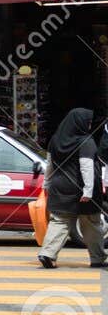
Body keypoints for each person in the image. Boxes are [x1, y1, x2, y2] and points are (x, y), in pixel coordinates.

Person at [40, 107, 106, 269]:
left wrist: (46, 184)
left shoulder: (55, 140)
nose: (90, 126)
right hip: (81, 189)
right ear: (81, 123)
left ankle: (48, 254)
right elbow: (87, 167)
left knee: (59, 222)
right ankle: (97, 258)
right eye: (88, 122)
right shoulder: (85, 141)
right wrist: (88, 190)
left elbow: (50, 165)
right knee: (91, 223)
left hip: (59, 187)